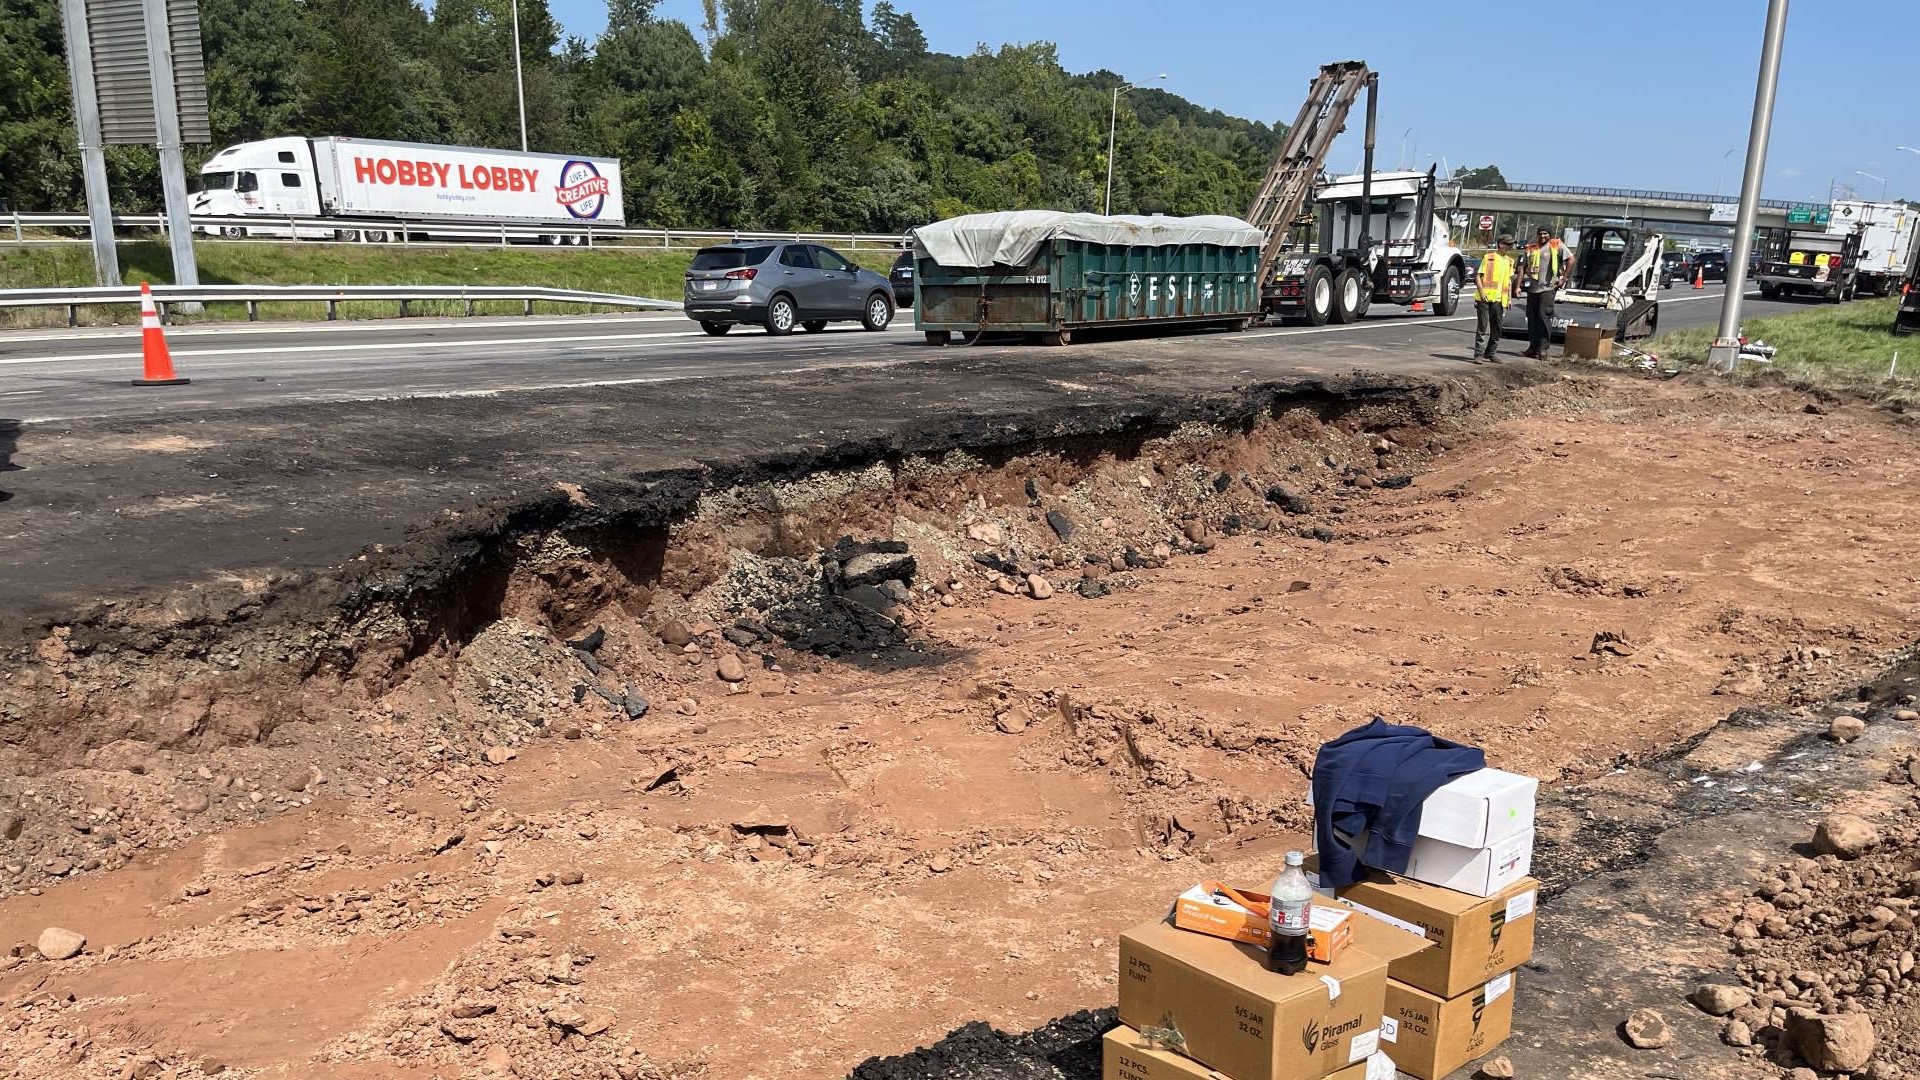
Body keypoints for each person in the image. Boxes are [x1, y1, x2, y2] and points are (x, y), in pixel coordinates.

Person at [1519, 226, 1574, 359]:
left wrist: (1564, 277)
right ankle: (1532, 347)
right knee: (1532, 319)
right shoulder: (1531, 248)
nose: (1542, 236)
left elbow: (1571, 259)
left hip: (1548, 288)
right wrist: (1517, 286)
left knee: (1543, 317)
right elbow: (1522, 267)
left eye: (1545, 234)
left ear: (1550, 234)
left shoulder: (1556, 245)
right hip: (1533, 289)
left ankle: (1543, 349)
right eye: (1540, 234)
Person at [1473, 235, 1516, 362]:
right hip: (1484, 298)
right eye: (1508, 244)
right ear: (1501, 244)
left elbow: (1508, 282)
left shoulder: (1509, 261)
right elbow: (1478, 277)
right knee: (1482, 327)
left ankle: (1491, 353)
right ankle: (1479, 355)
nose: (1510, 246)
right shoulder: (1489, 258)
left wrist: (1508, 299)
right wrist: (1482, 293)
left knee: (1497, 327)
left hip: (1499, 299)